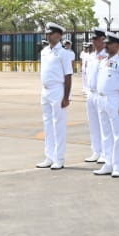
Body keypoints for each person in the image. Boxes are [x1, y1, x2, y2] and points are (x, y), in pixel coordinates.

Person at [93, 33, 119, 177]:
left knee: (118, 135)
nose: (105, 45)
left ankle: (117, 165)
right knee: (106, 134)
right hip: (101, 100)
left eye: (108, 43)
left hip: (114, 100)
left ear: (117, 46)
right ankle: (108, 163)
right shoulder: (103, 62)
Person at [36, 23, 74, 170]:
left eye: (51, 33)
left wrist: (66, 97)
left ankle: (59, 158)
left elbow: (68, 76)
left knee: (58, 125)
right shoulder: (44, 51)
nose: (48, 36)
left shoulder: (64, 53)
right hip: (45, 90)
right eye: (47, 34)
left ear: (59, 35)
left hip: (58, 90)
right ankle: (49, 156)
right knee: (47, 124)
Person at [82, 28, 108, 163]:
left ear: (103, 40)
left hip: (101, 94)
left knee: (103, 125)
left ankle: (105, 152)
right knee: (93, 124)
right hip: (91, 93)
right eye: (92, 39)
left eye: (96, 39)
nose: (93, 41)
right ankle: (96, 151)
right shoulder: (91, 56)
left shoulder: (107, 56)